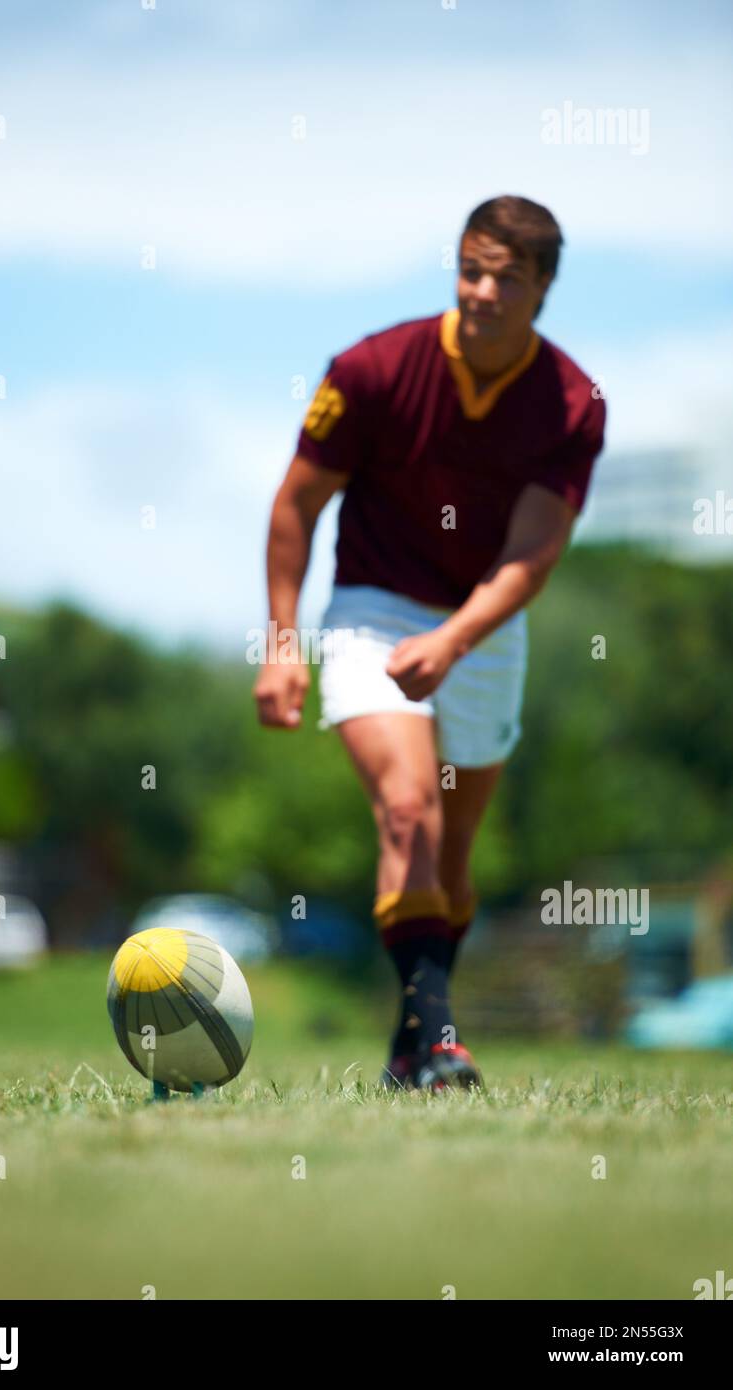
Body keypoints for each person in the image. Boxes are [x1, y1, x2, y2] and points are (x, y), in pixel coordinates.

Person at [254, 195, 606, 1091]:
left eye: (508, 278)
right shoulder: (372, 369)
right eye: (471, 268)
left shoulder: (571, 403)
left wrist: (454, 639)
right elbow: (297, 504)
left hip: (483, 625)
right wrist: (282, 642)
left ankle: (408, 1048)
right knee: (410, 809)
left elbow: (533, 553)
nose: (483, 291)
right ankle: (442, 1041)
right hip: (372, 609)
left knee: (451, 857)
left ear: (543, 290)